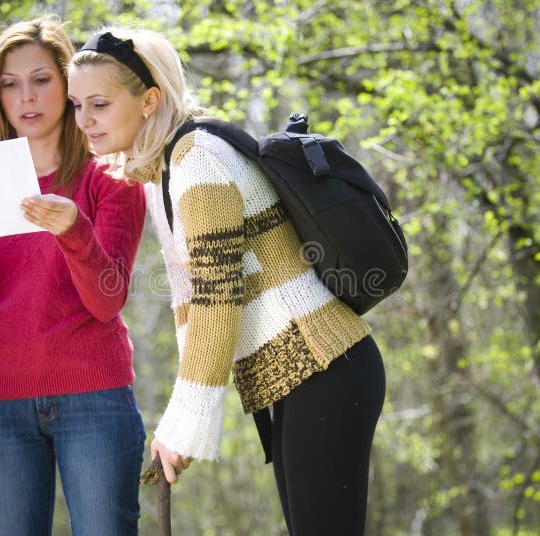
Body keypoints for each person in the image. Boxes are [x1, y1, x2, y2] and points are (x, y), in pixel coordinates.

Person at [67, 26, 386, 535]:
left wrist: (186, 422)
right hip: (304, 379)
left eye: (99, 104)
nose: (84, 120)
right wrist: (183, 420)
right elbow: (189, 306)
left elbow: (219, 299)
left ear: (149, 100)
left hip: (323, 367)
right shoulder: (163, 168)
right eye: (76, 104)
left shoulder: (197, 159)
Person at [0, 17, 146, 536]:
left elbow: (107, 302)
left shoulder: (112, 176)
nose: (26, 97)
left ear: (68, 85)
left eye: (41, 79)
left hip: (94, 398)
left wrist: (74, 229)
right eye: (10, 84)